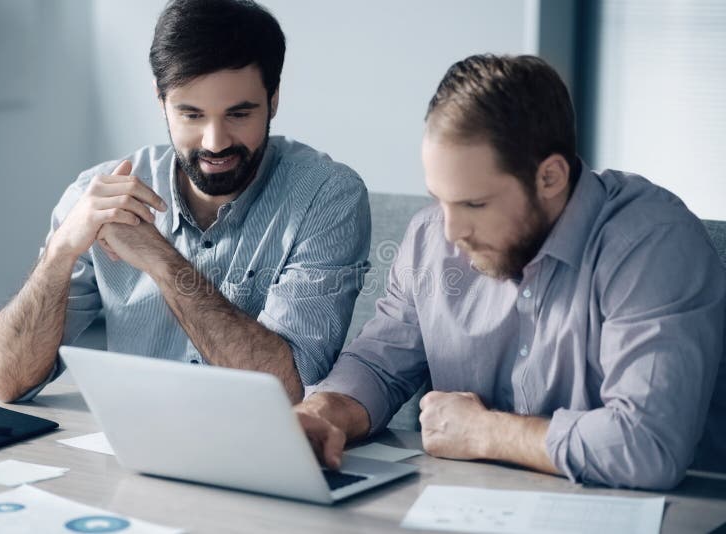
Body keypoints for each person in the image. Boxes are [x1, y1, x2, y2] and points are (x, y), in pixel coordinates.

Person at [296, 54, 726, 490]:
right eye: (440, 199)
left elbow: (647, 447)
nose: (452, 232)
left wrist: (485, 432)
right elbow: (380, 365)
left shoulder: (652, 246)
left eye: (474, 204)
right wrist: (321, 413)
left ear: (550, 178)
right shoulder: (433, 236)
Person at [0, 0, 370, 405]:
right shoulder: (97, 194)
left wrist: (161, 262)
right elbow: (8, 382)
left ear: (273, 99)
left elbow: (289, 390)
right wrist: (61, 252)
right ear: (161, 101)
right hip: (134, 446)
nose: (215, 141)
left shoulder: (327, 195)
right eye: (191, 115)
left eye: (239, 114)